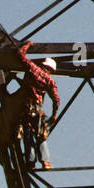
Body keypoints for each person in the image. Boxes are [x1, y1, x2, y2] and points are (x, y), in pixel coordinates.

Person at [16, 39, 60, 170]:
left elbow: (20, 55)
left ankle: (30, 162)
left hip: (26, 108)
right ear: (51, 70)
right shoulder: (50, 82)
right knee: (41, 136)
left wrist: (27, 45)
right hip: (38, 109)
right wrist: (54, 115)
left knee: (28, 136)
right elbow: (56, 100)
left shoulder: (33, 69)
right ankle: (45, 162)